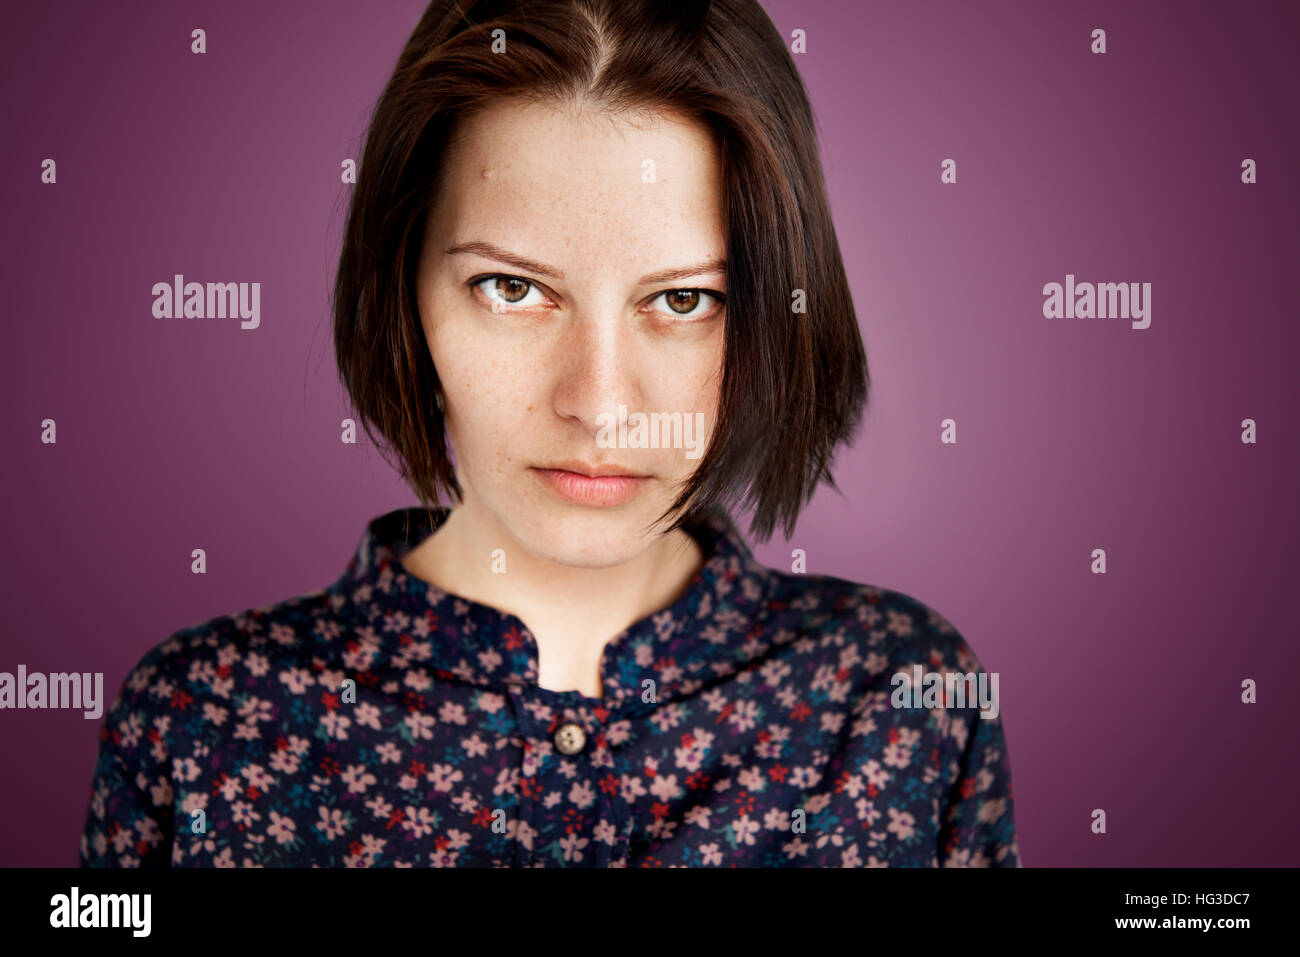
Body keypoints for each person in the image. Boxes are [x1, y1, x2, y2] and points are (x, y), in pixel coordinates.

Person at [81, 0, 1019, 867]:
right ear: (405, 286)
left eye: (685, 299)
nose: (601, 406)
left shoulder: (904, 700)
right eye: (514, 289)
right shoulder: (201, 722)